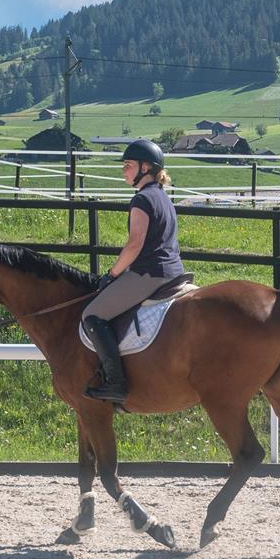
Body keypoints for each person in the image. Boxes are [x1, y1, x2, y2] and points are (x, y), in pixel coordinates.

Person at [80, 139, 186, 403]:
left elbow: (134, 244)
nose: (124, 170)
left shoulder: (142, 200)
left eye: (128, 165)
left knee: (92, 315)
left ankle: (116, 382)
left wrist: (112, 274)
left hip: (149, 274)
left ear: (146, 167)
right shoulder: (162, 196)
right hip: (173, 270)